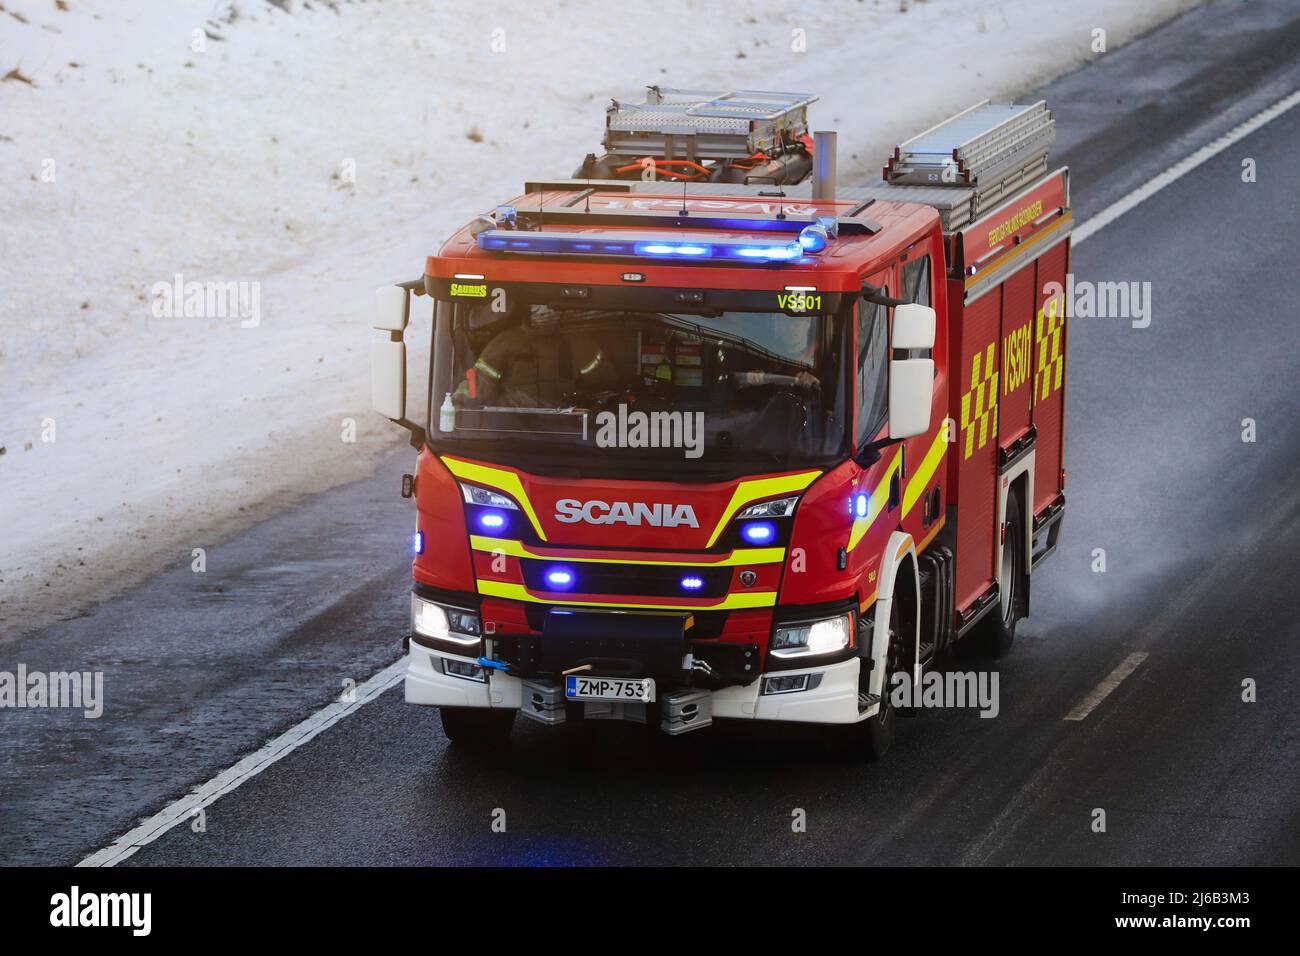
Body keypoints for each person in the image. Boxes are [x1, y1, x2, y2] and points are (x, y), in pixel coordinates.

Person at [454, 305, 613, 407]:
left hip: (564, 430)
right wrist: (460, 402)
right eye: (538, 305)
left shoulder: (578, 342)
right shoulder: (508, 341)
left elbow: (603, 381)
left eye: (551, 307)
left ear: (561, 310)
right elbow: (481, 378)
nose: (545, 312)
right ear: (528, 308)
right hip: (512, 427)